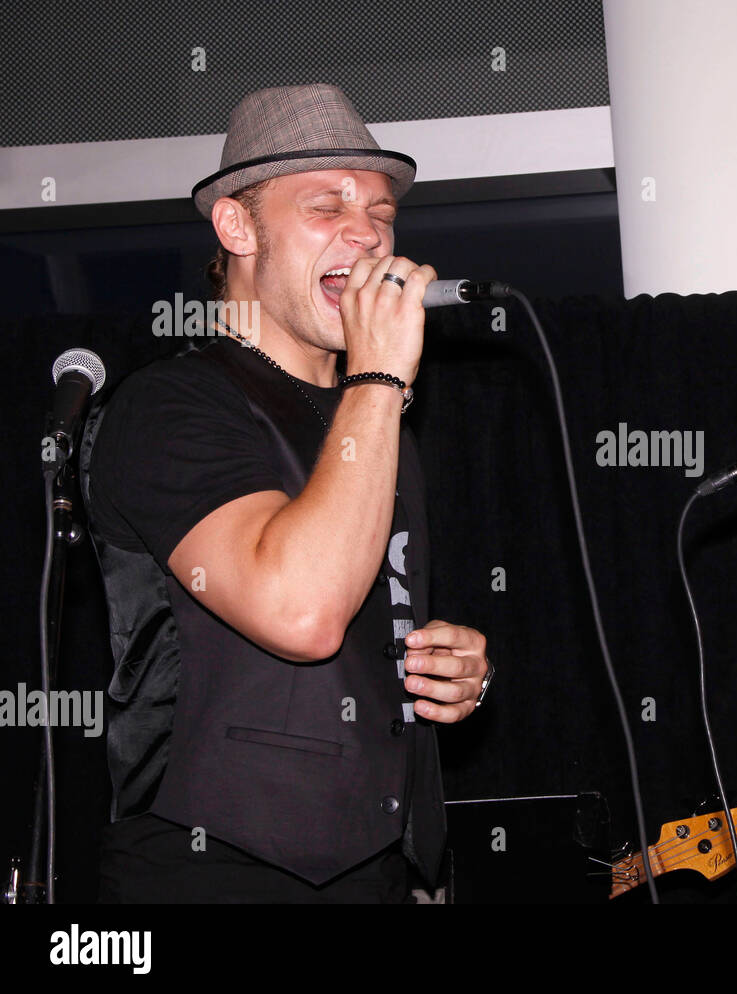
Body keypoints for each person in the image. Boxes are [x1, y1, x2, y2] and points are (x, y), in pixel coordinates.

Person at [81, 83, 492, 903]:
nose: (368, 232)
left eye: (380, 210)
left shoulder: (378, 422)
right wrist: (378, 377)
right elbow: (302, 613)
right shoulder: (171, 404)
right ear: (237, 227)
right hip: (214, 870)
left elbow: (369, 625)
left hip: (378, 869)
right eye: (325, 204)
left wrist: (458, 672)